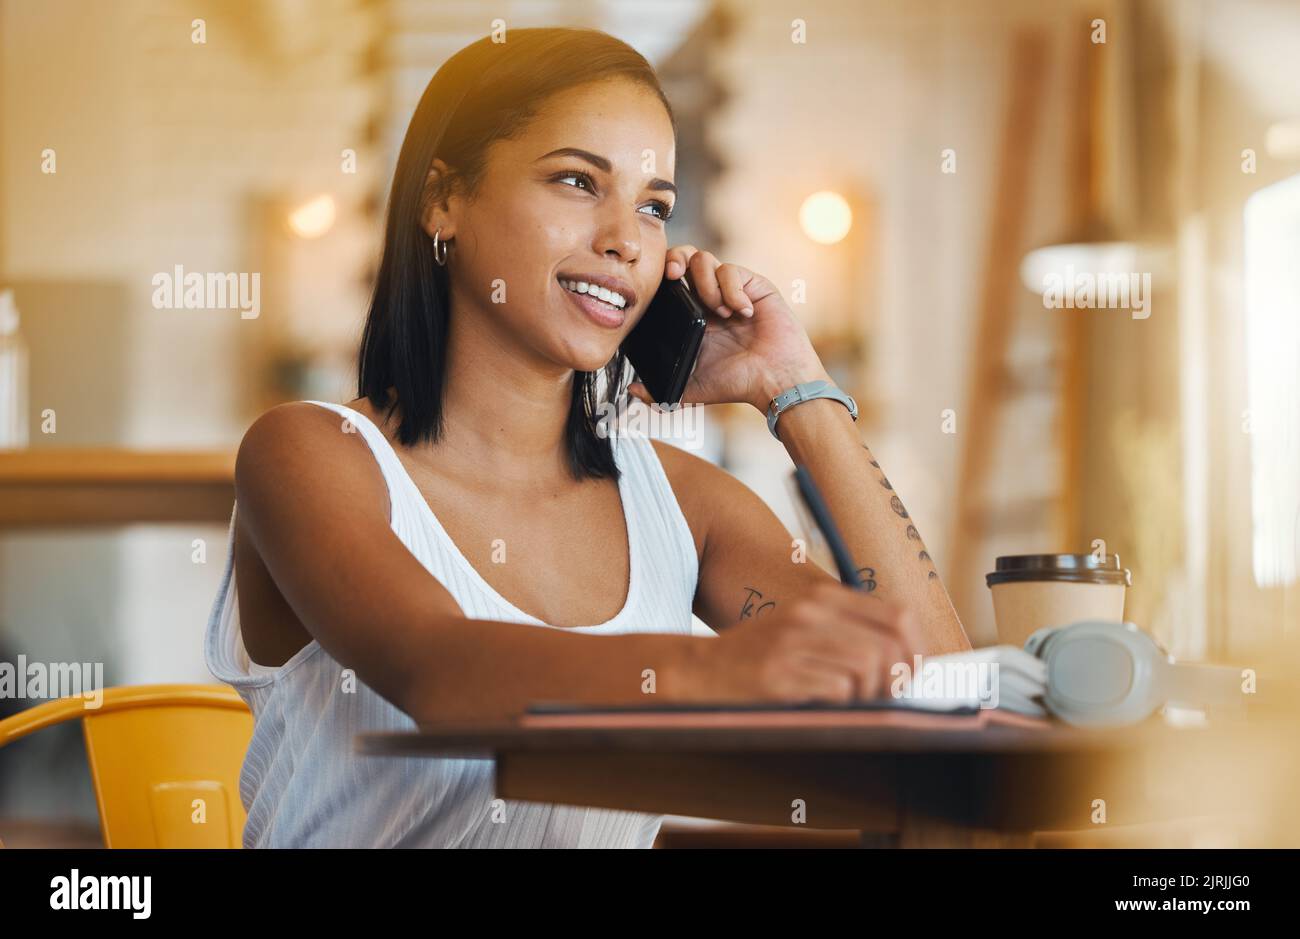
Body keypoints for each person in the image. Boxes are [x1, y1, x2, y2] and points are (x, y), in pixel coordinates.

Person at [205, 26, 971, 848]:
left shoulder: (682, 503)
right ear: (443, 198)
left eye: (654, 206)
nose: (627, 240)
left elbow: (938, 697)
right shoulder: (307, 453)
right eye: (578, 180)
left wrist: (796, 389)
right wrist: (728, 674)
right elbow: (441, 670)